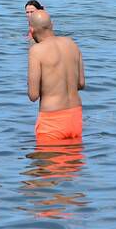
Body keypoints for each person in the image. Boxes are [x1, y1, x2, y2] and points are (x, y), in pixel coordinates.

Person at [27, 10, 85, 145]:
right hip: (75, 116)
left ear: (31, 30)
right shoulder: (72, 44)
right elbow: (81, 84)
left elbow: (33, 95)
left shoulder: (36, 51)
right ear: (52, 25)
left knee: (47, 163)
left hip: (52, 119)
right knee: (72, 163)